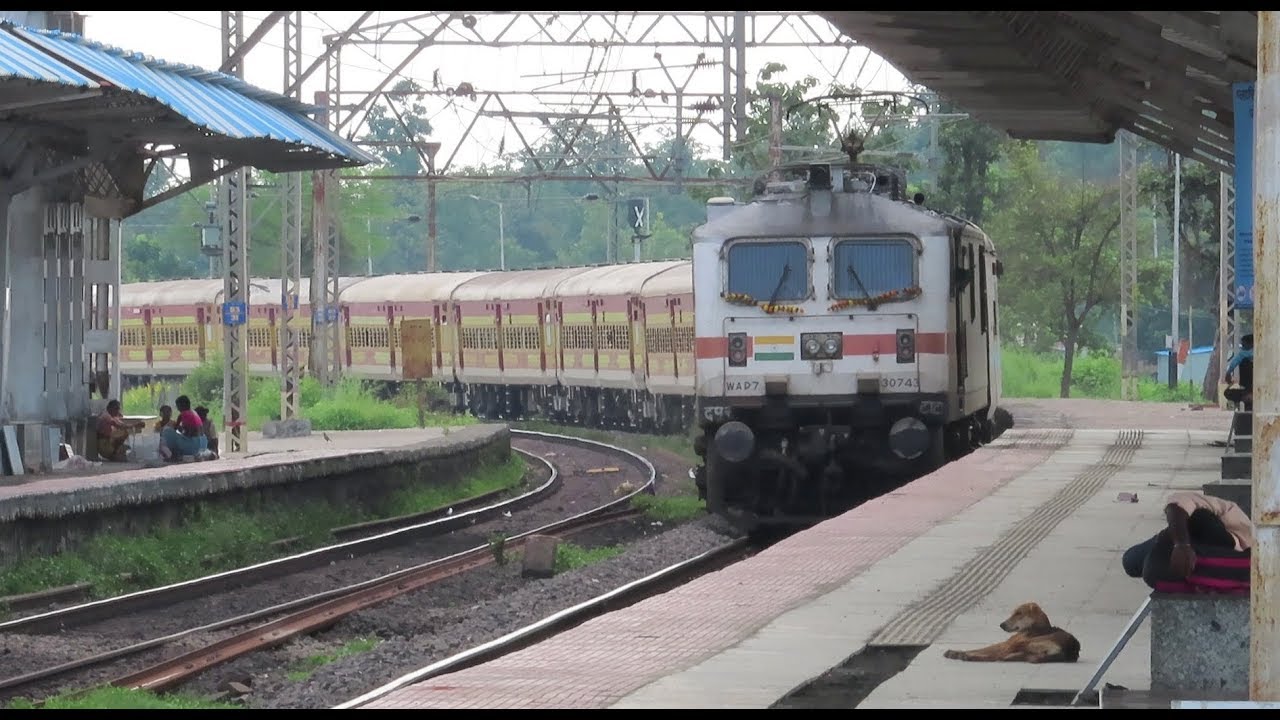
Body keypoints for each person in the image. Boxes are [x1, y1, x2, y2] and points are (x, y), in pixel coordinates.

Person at [1122, 491, 1253, 591]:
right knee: (1130, 562)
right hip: (1180, 536)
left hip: (1191, 556)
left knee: (1137, 563)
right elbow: (1178, 502)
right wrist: (1182, 544)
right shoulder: (1233, 515)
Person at [161, 395, 208, 461]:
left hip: (194, 445)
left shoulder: (182, 415)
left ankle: (173, 455)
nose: (177, 408)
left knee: (167, 431)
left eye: (177, 406)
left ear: (181, 405)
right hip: (203, 443)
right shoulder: (194, 412)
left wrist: (175, 427)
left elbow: (188, 433)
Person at [1223, 333, 1254, 410]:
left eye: (1243, 345)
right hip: (1252, 386)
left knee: (1244, 362)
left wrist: (1228, 373)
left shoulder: (1244, 354)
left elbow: (1234, 362)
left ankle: (1249, 394)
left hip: (1248, 385)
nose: (1242, 347)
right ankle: (1249, 394)